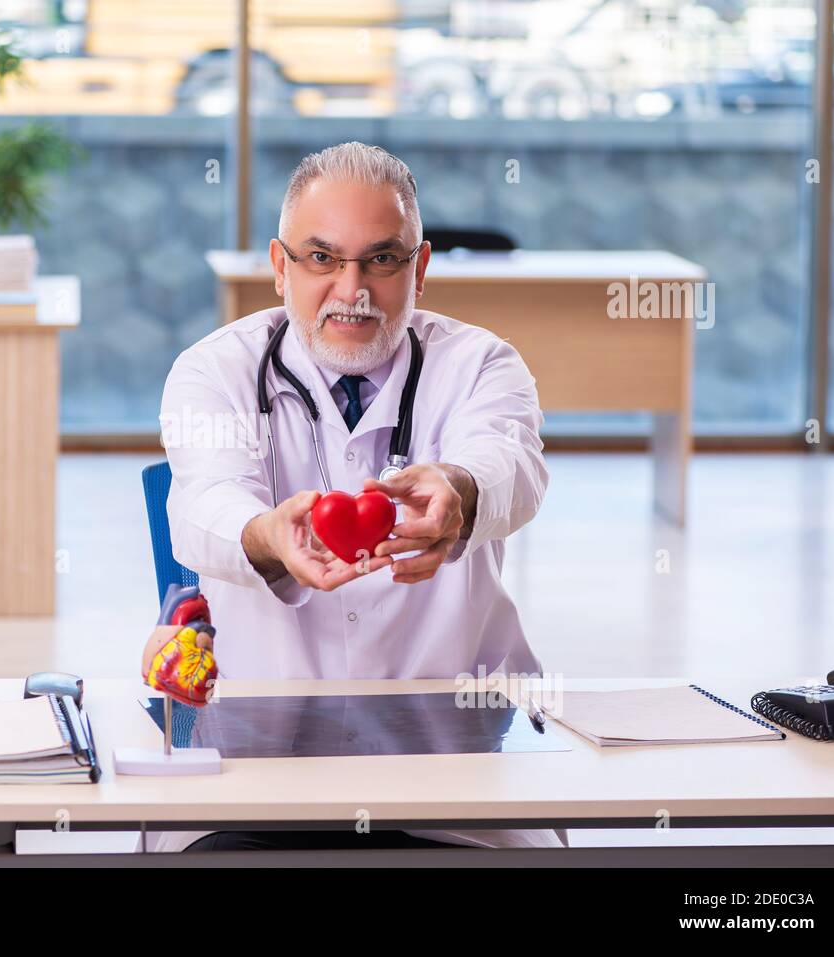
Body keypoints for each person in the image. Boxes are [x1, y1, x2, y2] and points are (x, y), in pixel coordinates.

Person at [152, 141, 562, 854]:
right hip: (256, 777)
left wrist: (461, 489)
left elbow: (514, 465)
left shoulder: (481, 363)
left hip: (456, 771)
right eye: (322, 259)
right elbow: (202, 501)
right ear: (280, 267)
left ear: (421, 268)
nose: (353, 288)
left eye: (381, 258)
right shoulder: (215, 369)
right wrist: (266, 534)